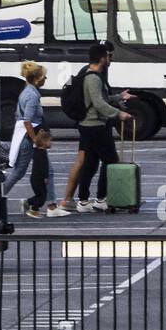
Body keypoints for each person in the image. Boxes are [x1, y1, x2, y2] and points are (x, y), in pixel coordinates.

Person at [61, 42, 132, 213]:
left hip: (88, 126)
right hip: (94, 126)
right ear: (102, 58)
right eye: (108, 56)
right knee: (110, 161)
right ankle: (100, 199)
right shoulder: (92, 77)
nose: (110, 59)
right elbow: (99, 103)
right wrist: (119, 114)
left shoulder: (94, 75)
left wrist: (118, 97)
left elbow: (102, 98)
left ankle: (84, 201)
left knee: (90, 164)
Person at [2, 63, 69, 217]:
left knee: (44, 171)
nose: (46, 78)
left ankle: (51, 205)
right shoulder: (31, 95)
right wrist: (35, 140)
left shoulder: (27, 92)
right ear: (37, 79)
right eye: (43, 76)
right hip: (29, 140)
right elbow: (27, 121)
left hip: (27, 138)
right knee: (19, 172)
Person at [24, 128, 63, 218]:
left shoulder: (38, 151)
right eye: (50, 141)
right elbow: (43, 167)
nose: (51, 143)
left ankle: (28, 202)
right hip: (39, 179)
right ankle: (34, 210)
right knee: (42, 197)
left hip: (35, 178)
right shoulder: (41, 154)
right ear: (44, 142)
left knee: (39, 195)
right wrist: (45, 177)